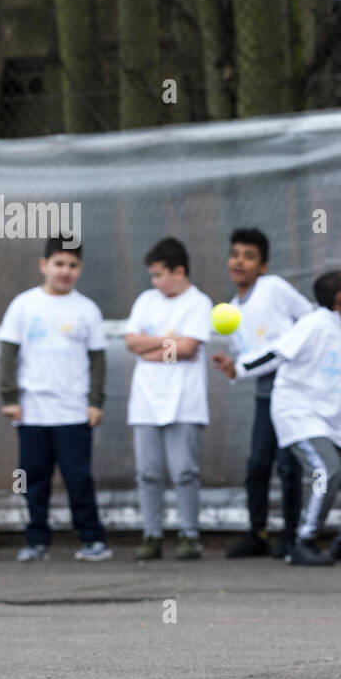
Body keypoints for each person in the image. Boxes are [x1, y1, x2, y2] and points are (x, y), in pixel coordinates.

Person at [225, 270, 341, 567]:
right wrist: (238, 369)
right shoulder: (314, 324)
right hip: (298, 412)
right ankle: (302, 542)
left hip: (332, 421)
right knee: (327, 472)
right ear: (340, 298)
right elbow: (276, 353)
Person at [0, 237, 112, 562]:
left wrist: (95, 402)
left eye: (72, 265)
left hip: (73, 411)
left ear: (80, 269)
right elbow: (8, 353)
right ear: (43, 265)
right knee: (31, 479)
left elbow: (97, 361)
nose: (65, 271)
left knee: (78, 478)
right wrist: (10, 397)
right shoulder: (23, 305)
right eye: (59, 263)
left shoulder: (86, 309)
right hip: (32, 411)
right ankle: (36, 540)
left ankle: (93, 539)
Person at [211, 228, 313, 558]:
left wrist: (294, 354)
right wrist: (232, 366)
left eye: (249, 255)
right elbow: (247, 358)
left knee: (287, 466)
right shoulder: (230, 310)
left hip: (293, 391)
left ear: (263, 266)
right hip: (264, 395)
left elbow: (311, 320)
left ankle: (291, 535)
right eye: (235, 254)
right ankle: (257, 533)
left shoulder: (274, 288)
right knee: (257, 464)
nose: (239, 261)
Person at [124, 237, 213, 560]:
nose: (156, 281)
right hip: (146, 402)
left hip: (185, 402)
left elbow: (189, 348)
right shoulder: (146, 300)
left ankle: (190, 535)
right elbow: (132, 342)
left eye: (161, 274)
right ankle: (152, 535)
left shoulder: (199, 303)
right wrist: (166, 341)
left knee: (185, 471)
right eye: (153, 275)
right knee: (148, 472)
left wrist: (153, 350)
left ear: (179, 271)